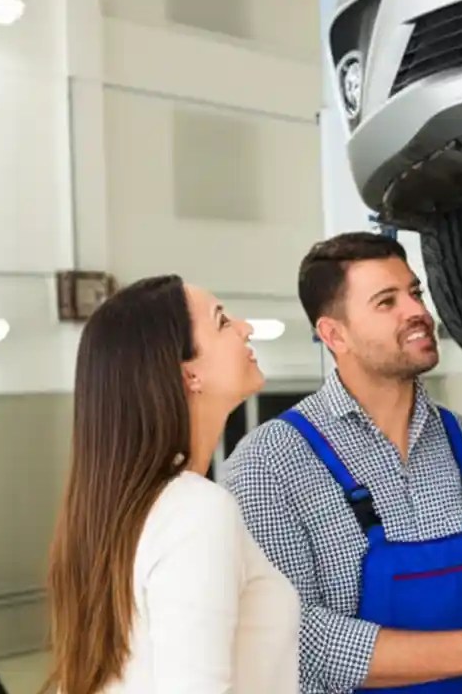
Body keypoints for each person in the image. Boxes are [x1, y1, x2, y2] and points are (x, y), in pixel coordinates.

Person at [225, 233, 462, 694]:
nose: (417, 311)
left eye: (414, 293)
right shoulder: (270, 463)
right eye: (386, 302)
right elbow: (296, 640)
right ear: (334, 335)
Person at [43, 275, 300, 694]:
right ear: (189, 374)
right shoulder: (196, 510)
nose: (246, 328)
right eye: (222, 322)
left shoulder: (127, 512)